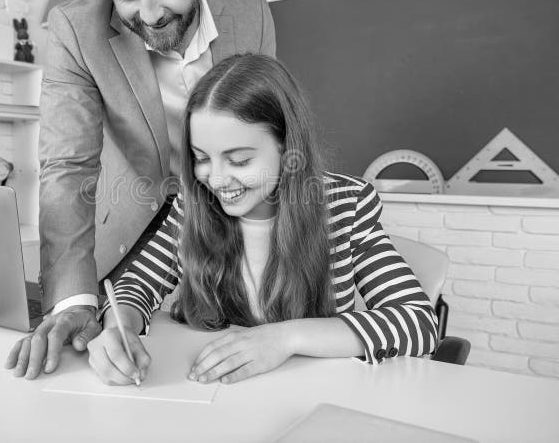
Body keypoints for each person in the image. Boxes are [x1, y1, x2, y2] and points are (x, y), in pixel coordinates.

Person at [5, 0, 276, 379]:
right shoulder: (74, 28)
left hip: (225, 227)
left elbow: (271, 124)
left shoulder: (248, 3)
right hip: (130, 233)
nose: (149, 14)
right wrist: (74, 300)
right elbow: (67, 167)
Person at [88, 54, 439, 386]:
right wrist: (121, 328)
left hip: (311, 393)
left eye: (239, 160)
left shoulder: (346, 207)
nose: (218, 180)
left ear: (287, 150)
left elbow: (418, 323)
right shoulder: (193, 202)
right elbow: (137, 284)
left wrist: (286, 338)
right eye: (201, 158)